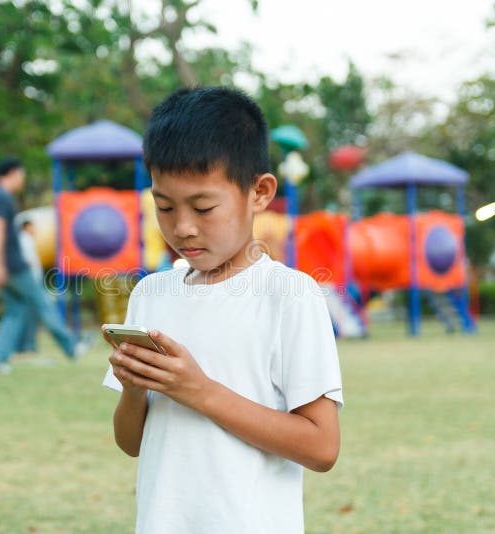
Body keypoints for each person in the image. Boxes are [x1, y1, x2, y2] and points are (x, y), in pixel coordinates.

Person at [102, 87, 343, 533]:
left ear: (260, 192)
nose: (183, 227)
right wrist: (134, 388)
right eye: (165, 207)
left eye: (204, 207)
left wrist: (199, 391)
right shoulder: (150, 295)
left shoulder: (289, 296)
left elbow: (322, 446)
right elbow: (132, 443)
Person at [0, 157, 86, 375]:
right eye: (21, 175)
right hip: (13, 266)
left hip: (1, 265)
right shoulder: (1, 198)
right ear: (12, 173)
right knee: (44, 304)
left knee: (16, 311)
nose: (22, 180)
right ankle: (71, 346)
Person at [17, 219, 42, 353]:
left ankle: (27, 345)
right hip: (30, 284)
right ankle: (28, 346)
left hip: (31, 283)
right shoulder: (25, 241)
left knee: (27, 315)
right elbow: (29, 263)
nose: (35, 230)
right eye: (33, 227)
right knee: (30, 316)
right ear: (26, 227)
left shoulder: (27, 241)